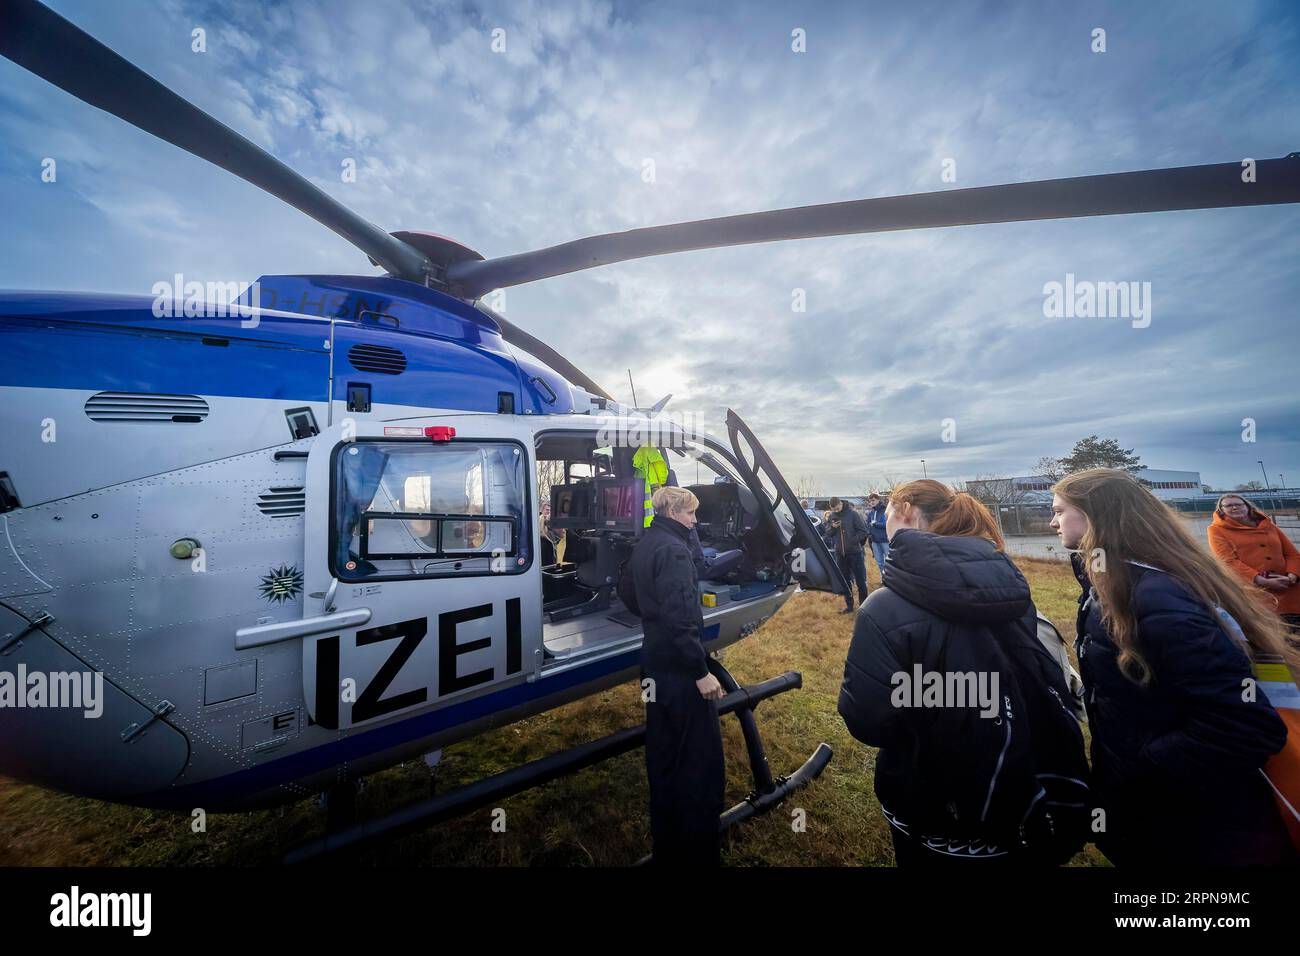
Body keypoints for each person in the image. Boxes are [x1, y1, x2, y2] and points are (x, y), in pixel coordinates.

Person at [1051, 469, 1298, 866]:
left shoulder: (1156, 598)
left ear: (1095, 514)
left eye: (1060, 511)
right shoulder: (1118, 585)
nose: (1052, 521)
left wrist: (1141, 767)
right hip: (1165, 814)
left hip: (1195, 826)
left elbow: (1245, 725)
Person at [838, 479, 1089, 866]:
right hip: (1019, 792)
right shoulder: (1008, 583)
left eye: (887, 509)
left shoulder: (883, 607)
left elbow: (869, 720)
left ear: (904, 509)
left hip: (931, 803)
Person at [629, 485, 726, 865]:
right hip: (678, 673)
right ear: (673, 513)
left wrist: (649, 613)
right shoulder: (674, 551)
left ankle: (666, 846)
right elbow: (682, 617)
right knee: (700, 764)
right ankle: (699, 852)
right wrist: (700, 671)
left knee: (663, 755)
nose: (695, 520)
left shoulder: (645, 542)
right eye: (690, 514)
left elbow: (628, 591)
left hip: (652, 664)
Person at [1207, 493, 1300, 630]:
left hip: (1289, 587)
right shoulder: (1216, 530)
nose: (1234, 507)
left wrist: (1293, 575)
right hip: (1257, 592)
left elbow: (1291, 554)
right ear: (1221, 509)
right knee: (1277, 636)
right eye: (1228, 505)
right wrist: (1262, 581)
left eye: (1238, 504)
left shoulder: (1268, 525)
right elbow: (1228, 561)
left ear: (1247, 506)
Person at [828, 497, 869, 613]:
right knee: (845, 581)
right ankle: (849, 606)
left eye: (837, 508)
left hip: (855, 553)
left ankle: (864, 607)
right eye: (833, 509)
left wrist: (852, 541)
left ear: (841, 504)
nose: (836, 511)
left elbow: (863, 531)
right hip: (840, 554)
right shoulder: (831, 516)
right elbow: (828, 533)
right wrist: (832, 527)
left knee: (860, 581)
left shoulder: (853, 514)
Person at [864, 493, 890, 574]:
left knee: (889, 562)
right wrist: (869, 532)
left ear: (878, 500)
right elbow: (868, 524)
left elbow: (887, 524)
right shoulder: (871, 512)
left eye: (873, 500)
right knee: (879, 562)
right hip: (875, 540)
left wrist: (876, 524)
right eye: (870, 501)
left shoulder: (885, 510)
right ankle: (884, 579)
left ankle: (891, 580)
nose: (871, 502)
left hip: (885, 540)